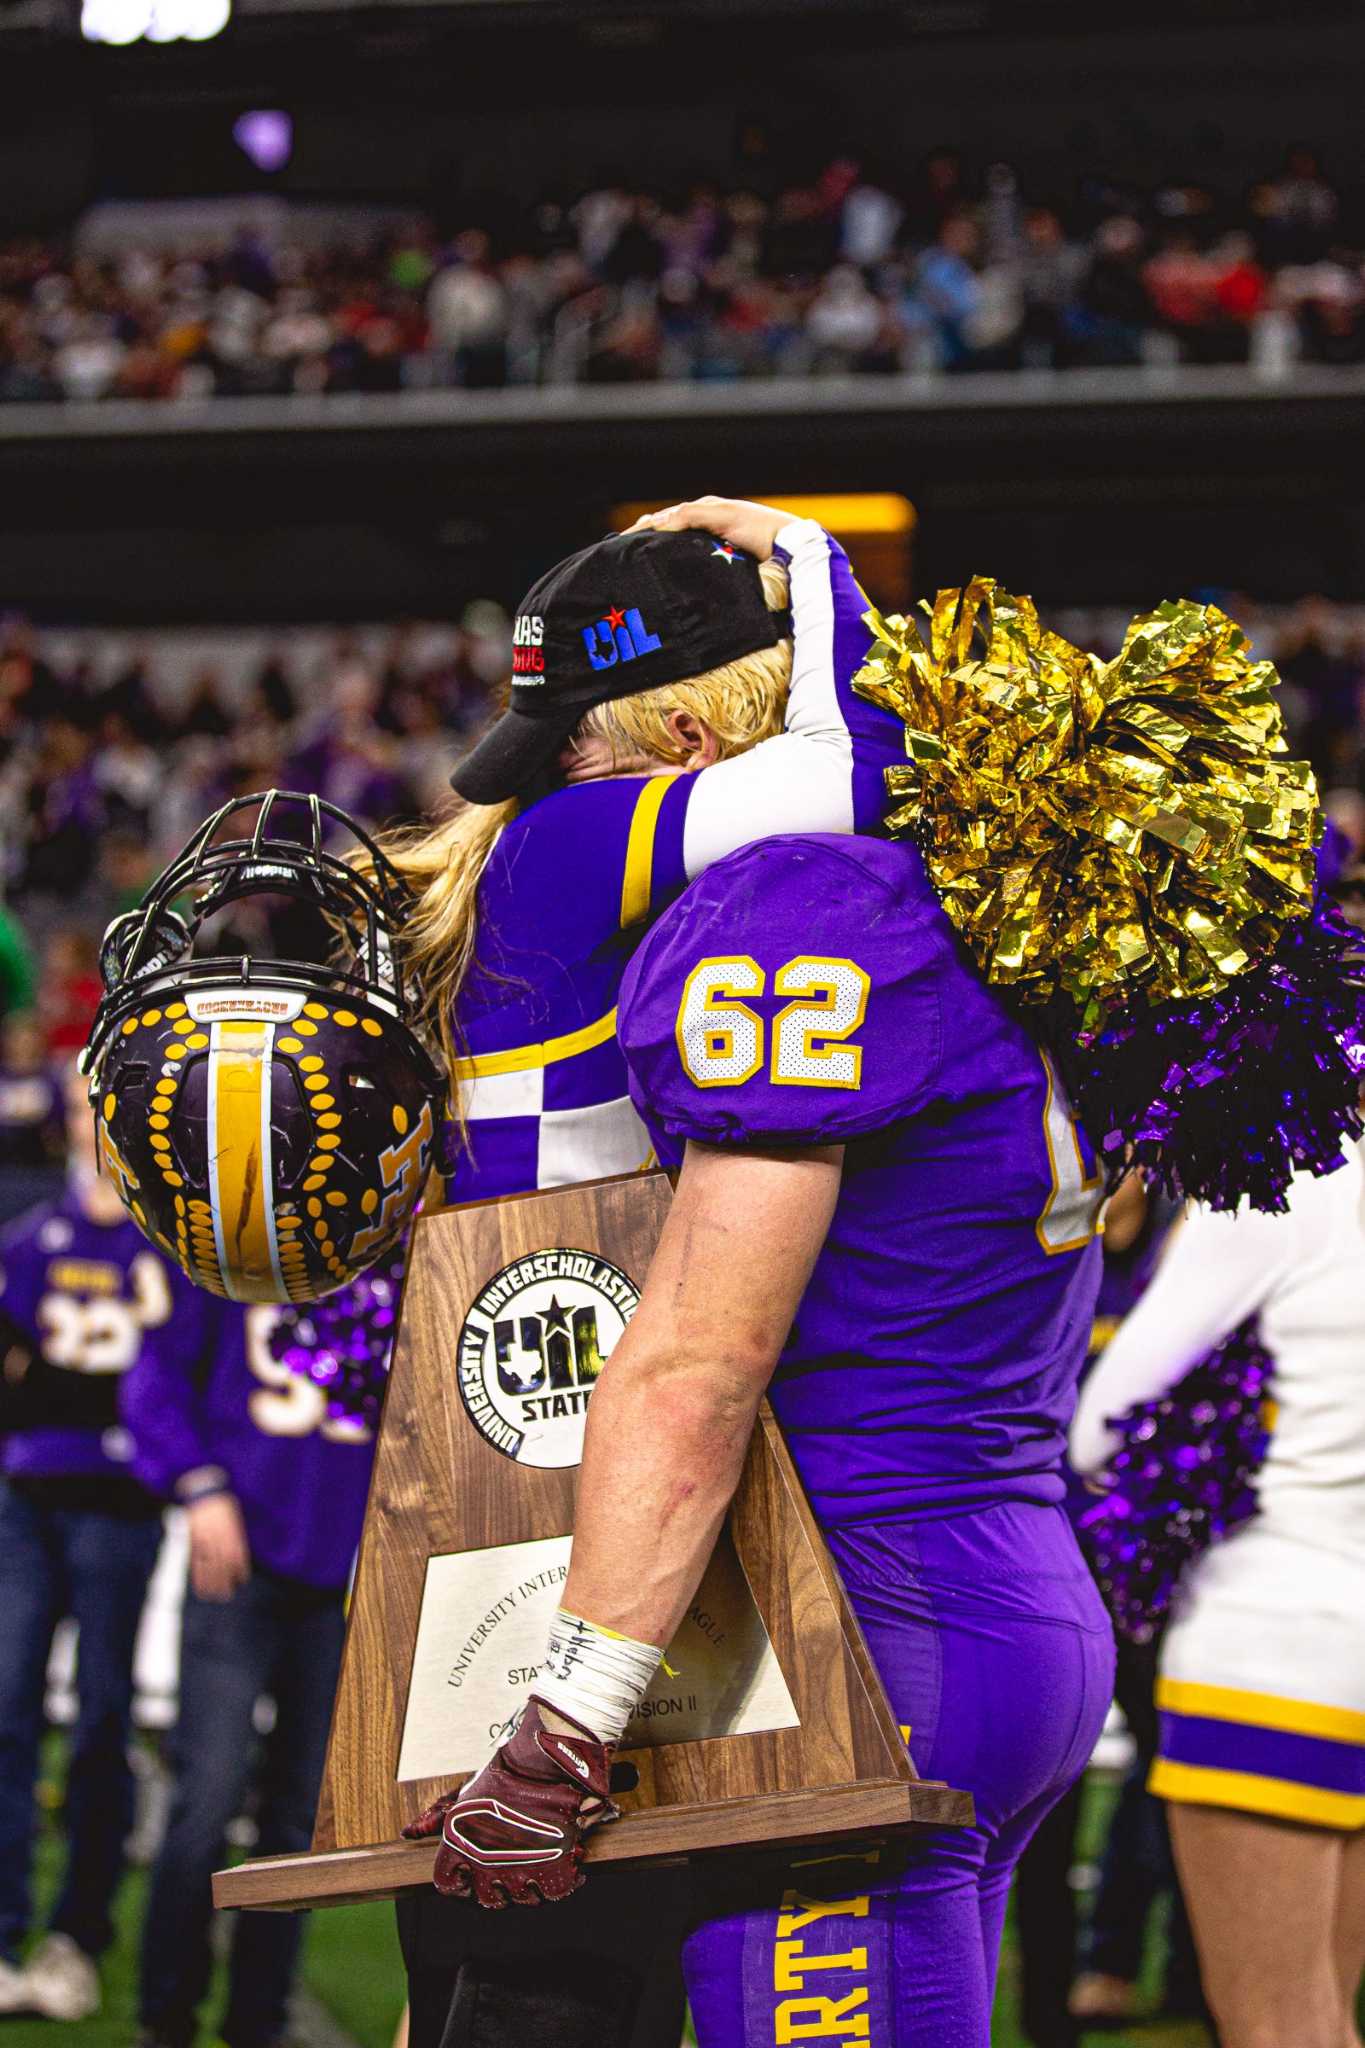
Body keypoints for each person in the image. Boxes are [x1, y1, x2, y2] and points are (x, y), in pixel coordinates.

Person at [410, 559, 1349, 2046]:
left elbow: (699, 1357)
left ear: (687, 742)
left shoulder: (799, 901)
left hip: (858, 1618)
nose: (563, 783)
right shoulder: (987, 886)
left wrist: (567, 1720)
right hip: (1004, 1577)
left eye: (583, 742)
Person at [364, 495, 905, 2048]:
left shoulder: (523, 870)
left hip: (506, 1508)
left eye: (572, 729)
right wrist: (814, 567)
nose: (557, 762)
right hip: (624, 1542)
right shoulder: (575, 851)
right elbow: (889, 770)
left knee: (488, 1989)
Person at [1071, 1144, 1365, 2048]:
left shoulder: (1289, 1181)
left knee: (1273, 2025)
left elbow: (1099, 1431)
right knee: (1325, 2015)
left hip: (1267, 1640)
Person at [121, 1293, 374, 2048]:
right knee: (206, 1799)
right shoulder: (232, 1236)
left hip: (346, 1574)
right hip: (240, 1564)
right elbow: (156, 1372)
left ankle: (258, 2021)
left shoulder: (403, 1253)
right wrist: (198, 1484)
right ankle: (164, 2020)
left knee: (298, 1820)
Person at [0, 1063, 183, 2021]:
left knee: (106, 1718)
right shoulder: (28, 1237)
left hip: (121, 1505)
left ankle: (77, 1935)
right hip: (29, 1499)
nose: (87, 1121)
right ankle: (4, 1934)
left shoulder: (176, 1241)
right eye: (76, 1103)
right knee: (6, 1709)